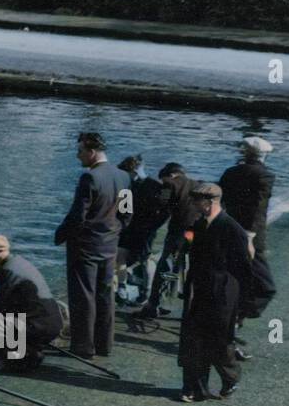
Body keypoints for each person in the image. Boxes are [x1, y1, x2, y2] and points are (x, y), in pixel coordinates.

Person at [55, 131, 131, 358]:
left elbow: (78, 216)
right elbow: (127, 215)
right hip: (109, 244)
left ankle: (83, 347)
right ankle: (104, 345)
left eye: (80, 151)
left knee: (83, 296)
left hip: (86, 246)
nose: (78, 157)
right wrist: (112, 232)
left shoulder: (89, 178)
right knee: (105, 294)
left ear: (92, 151)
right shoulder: (124, 176)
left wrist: (61, 235)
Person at [178, 182, 251, 403]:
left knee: (218, 341)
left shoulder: (231, 228)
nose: (193, 204)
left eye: (196, 201)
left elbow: (244, 269)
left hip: (222, 294)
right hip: (200, 291)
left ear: (209, 203)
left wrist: (240, 306)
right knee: (193, 341)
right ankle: (194, 389)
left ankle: (231, 377)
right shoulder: (200, 225)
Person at [0, 235, 64, 371]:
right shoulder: (18, 262)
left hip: (39, 327)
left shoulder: (8, 271)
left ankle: (23, 357)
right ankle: (27, 347)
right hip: (51, 323)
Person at [219, 136, 276, 321]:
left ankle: (231, 316)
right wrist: (250, 236)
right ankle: (239, 314)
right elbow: (258, 208)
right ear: (263, 156)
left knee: (233, 276)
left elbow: (221, 202)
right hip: (251, 235)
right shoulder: (265, 175)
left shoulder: (230, 172)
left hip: (228, 230)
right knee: (266, 286)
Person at [134, 163, 201, 320]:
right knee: (191, 271)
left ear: (170, 175)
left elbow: (162, 205)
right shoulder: (198, 184)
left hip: (179, 234)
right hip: (197, 234)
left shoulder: (170, 184)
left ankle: (153, 306)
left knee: (165, 267)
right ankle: (190, 310)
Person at [115, 155, 171, 304]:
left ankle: (146, 291)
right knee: (120, 256)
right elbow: (123, 209)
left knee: (144, 260)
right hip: (129, 227)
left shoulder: (155, 186)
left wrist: (153, 227)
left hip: (145, 229)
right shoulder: (127, 186)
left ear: (135, 170)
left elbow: (165, 211)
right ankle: (122, 287)